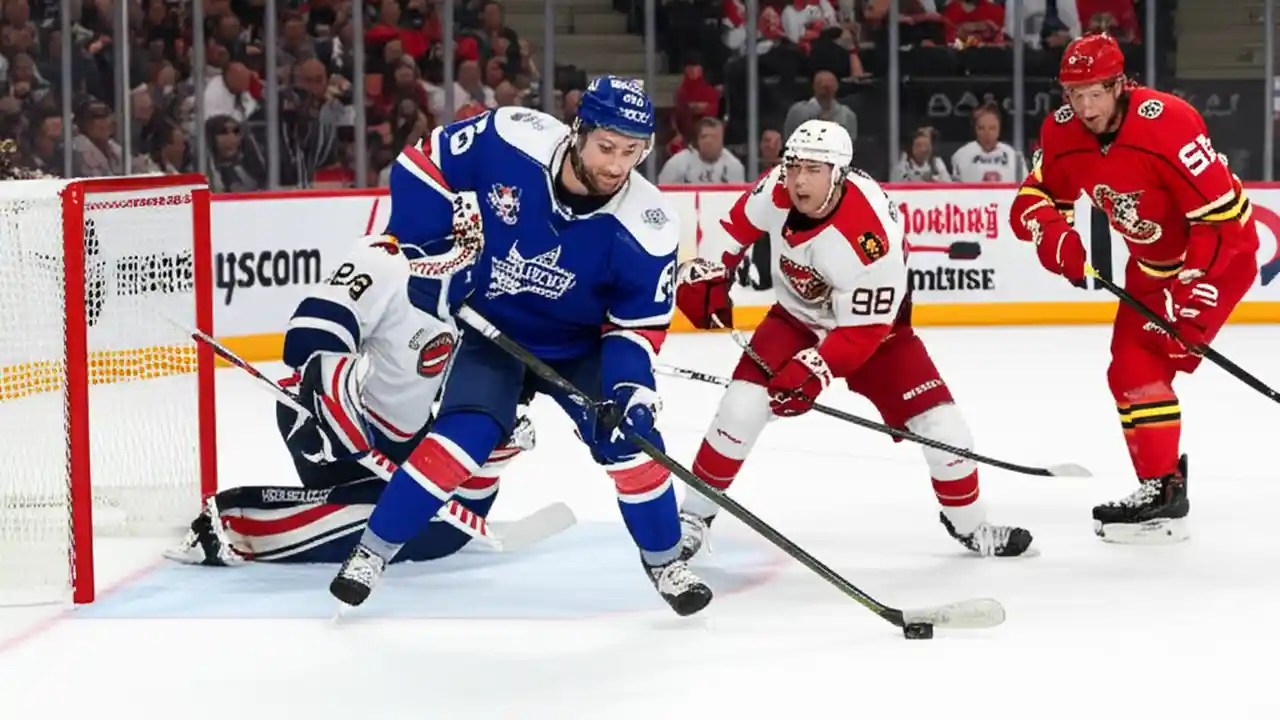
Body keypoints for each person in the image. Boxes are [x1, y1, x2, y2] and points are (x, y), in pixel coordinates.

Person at [329, 76, 714, 617]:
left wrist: (631, 389)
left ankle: (667, 562)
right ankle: (371, 552)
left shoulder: (649, 224)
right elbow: (422, 164)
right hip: (495, 332)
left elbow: (635, 328)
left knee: (632, 439)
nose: (616, 166)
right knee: (464, 436)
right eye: (606, 147)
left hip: (580, 345)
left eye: (632, 152)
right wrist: (427, 253)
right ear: (579, 131)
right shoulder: (513, 137)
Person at [674, 119, 1033, 559]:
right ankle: (694, 515)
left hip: (878, 336)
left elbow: (862, 333)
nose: (799, 179)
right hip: (795, 320)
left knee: (948, 436)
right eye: (794, 166)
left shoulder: (870, 239)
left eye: (813, 169)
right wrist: (709, 271)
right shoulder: (777, 189)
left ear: (838, 174)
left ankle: (970, 526)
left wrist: (814, 372)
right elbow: (733, 230)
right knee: (739, 408)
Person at [1008, 34, 1259, 544]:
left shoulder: (1169, 123)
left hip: (1217, 260)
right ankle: (1161, 488)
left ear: (1120, 85)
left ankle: (1164, 487)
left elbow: (1224, 219)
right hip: (1150, 266)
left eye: (1095, 93)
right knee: (1128, 367)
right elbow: (1034, 196)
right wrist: (1054, 235)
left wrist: (1198, 288)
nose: (1084, 106)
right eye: (1073, 95)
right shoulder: (1063, 133)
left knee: (1152, 364)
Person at [166, 232, 535, 566]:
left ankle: (360, 501)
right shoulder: (388, 260)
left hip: (403, 435)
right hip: (322, 418)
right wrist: (334, 400)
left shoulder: (495, 282)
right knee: (428, 526)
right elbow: (312, 331)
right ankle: (233, 519)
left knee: (454, 518)